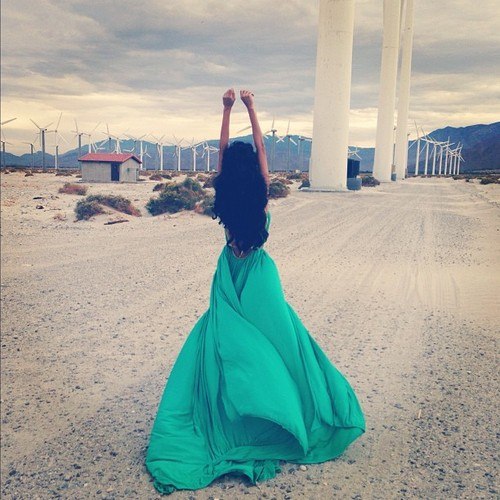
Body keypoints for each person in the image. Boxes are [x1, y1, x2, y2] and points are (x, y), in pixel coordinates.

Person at [145, 89, 366, 495]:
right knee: (284, 344)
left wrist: (226, 109)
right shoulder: (261, 192)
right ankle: (293, 413)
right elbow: (260, 147)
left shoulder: (224, 192)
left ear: (229, 170)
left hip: (230, 272)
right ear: (255, 169)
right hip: (261, 276)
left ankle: (239, 415)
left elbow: (222, 150)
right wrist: (251, 107)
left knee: (226, 343)